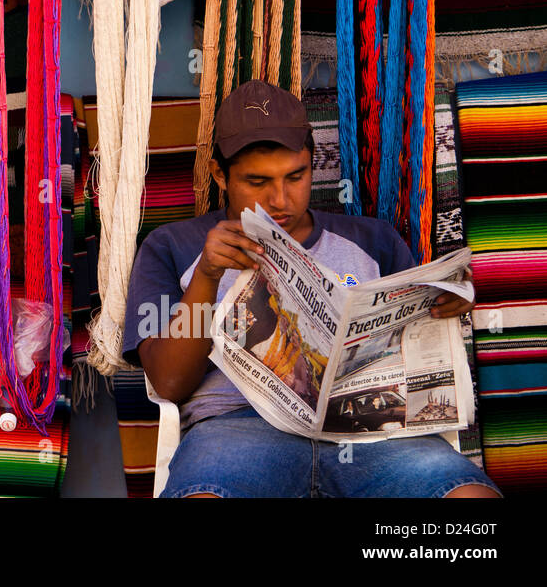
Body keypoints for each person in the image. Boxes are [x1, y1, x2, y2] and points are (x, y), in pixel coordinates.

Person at [121, 79, 500, 498]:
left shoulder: (372, 239)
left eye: (295, 176)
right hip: (237, 431)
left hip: (373, 434)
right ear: (220, 174)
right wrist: (207, 277)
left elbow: (415, 366)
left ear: (313, 162)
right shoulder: (172, 247)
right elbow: (169, 383)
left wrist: (441, 308)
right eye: (257, 181)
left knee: (469, 497)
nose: (279, 200)